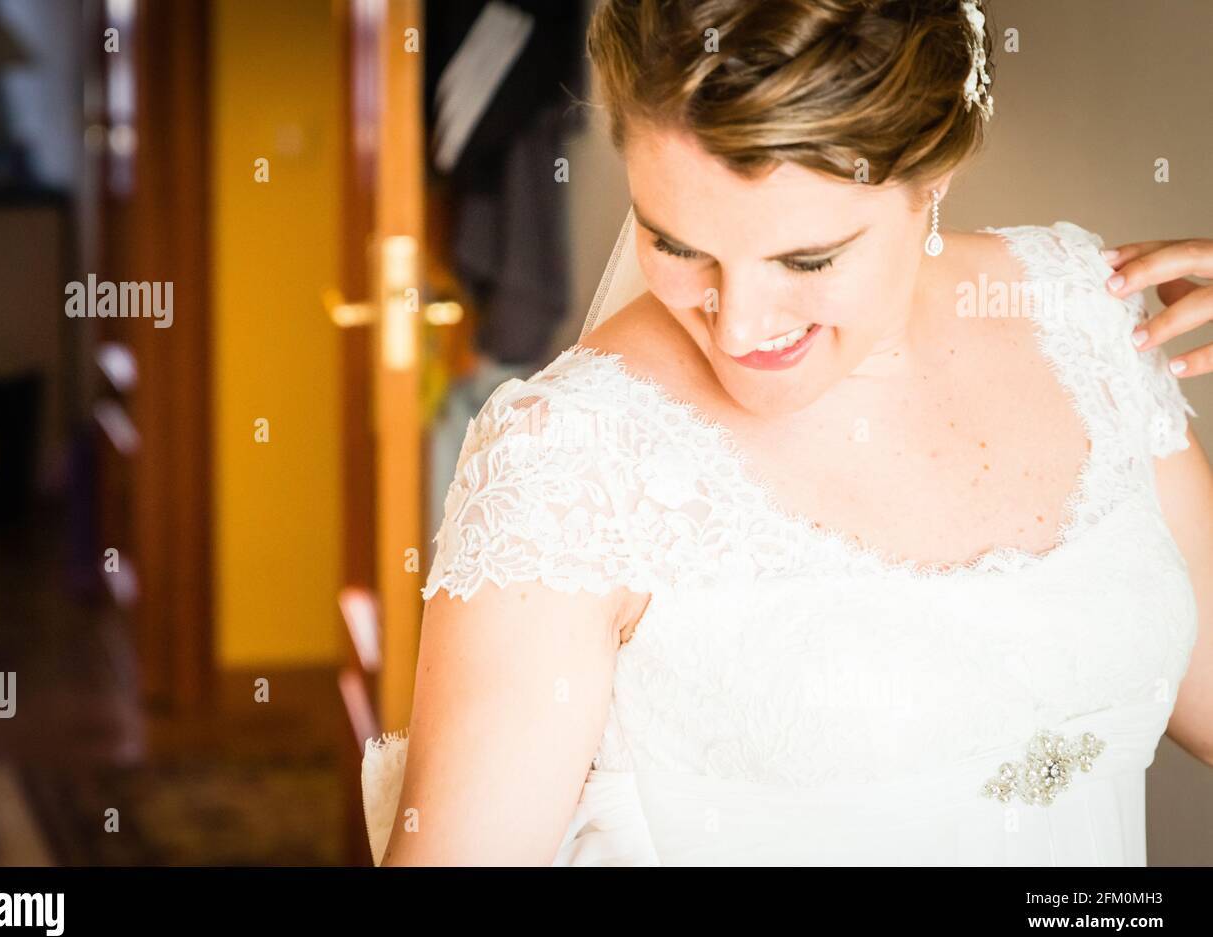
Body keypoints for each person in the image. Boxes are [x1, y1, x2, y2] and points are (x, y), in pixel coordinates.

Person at [362, 0, 1213, 865]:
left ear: (937, 172)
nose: (738, 329)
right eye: (677, 245)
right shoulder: (568, 466)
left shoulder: (1084, 314)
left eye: (808, 261)